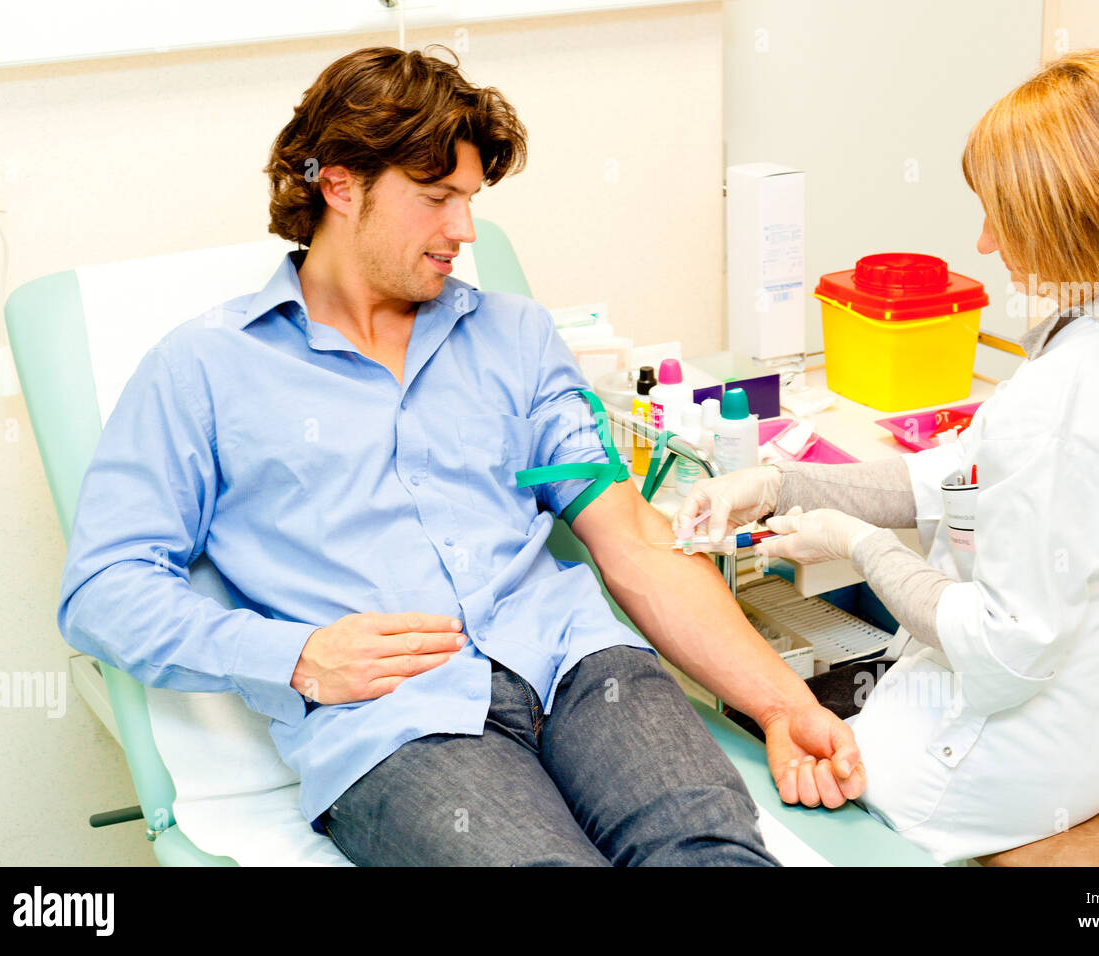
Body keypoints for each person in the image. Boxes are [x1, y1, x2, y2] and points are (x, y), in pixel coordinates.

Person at [57, 46, 865, 867]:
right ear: (339, 185)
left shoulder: (513, 339)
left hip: (581, 668)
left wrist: (779, 703)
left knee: (710, 854)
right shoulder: (205, 371)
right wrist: (294, 657)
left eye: (470, 199)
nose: (465, 231)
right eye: (437, 198)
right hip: (396, 721)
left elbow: (630, 538)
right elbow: (104, 589)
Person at [675, 49, 1099, 863]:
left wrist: (857, 546)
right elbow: (959, 475)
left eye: (1006, 217)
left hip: (991, 766)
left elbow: (999, 656)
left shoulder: (1072, 399)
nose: (988, 241)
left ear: (1070, 223)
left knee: (757, 830)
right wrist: (781, 480)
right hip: (1096, 738)